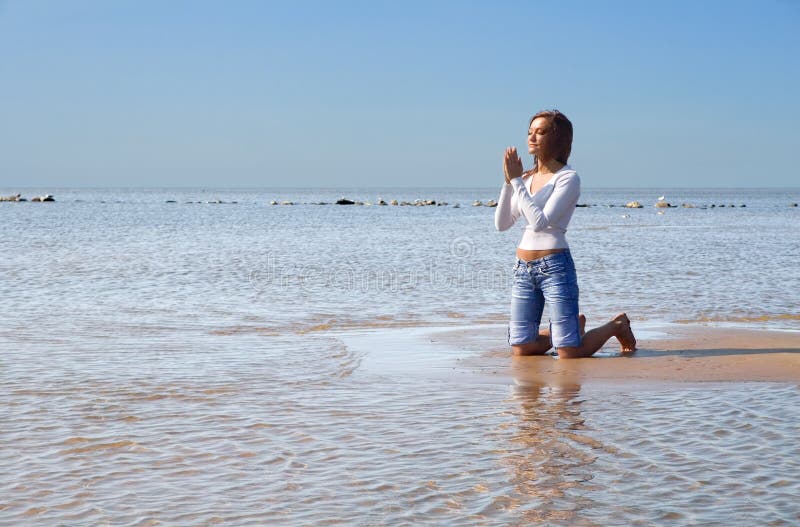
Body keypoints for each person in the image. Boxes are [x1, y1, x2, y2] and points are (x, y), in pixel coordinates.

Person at [495, 109, 636, 358]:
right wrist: (509, 183)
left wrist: (516, 182)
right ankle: (570, 330)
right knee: (521, 348)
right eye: (530, 132)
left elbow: (540, 222)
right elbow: (502, 223)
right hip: (522, 268)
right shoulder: (525, 179)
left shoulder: (568, 178)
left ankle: (616, 326)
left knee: (568, 354)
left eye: (540, 132)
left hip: (555, 267)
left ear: (559, 139)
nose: (532, 137)